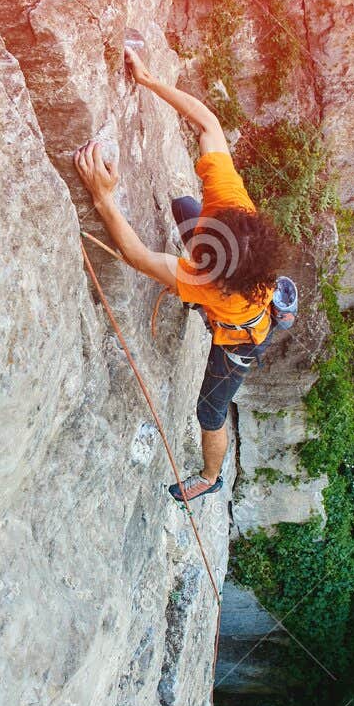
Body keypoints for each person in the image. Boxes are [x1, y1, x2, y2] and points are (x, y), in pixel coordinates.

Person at [74, 47, 291, 505]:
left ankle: (211, 477)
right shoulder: (231, 200)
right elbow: (208, 124)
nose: (199, 252)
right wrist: (150, 82)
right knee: (183, 207)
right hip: (243, 281)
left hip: (239, 336)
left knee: (208, 411)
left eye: (204, 257)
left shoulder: (209, 283)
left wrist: (102, 198)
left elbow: (135, 255)